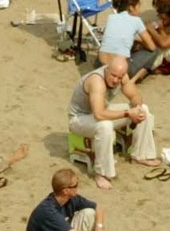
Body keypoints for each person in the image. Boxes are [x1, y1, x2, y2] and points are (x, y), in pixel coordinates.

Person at [68, 56, 159, 189]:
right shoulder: (97, 81)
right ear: (106, 70)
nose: (116, 80)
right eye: (113, 76)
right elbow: (99, 114)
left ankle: (141, 155)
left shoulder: (122, 76)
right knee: (105, 125)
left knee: (143, 109)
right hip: (79, 119)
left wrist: (136, 108)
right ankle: (101, 173)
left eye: (119, 77)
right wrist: (128, 113)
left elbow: (135, 96)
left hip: (101, 111)